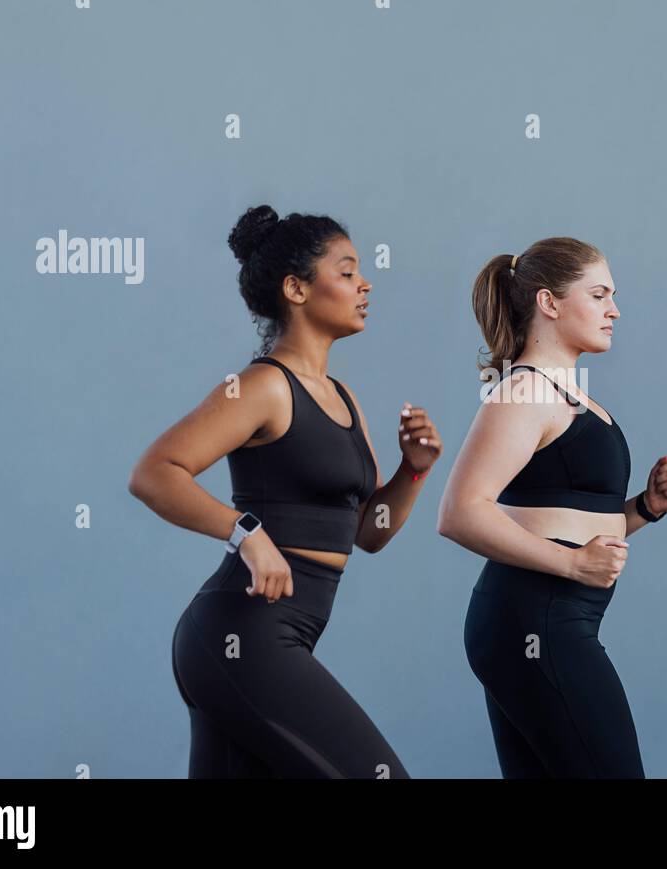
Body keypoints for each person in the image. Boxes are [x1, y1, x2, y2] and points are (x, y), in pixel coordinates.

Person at [128, 205, 441, 778]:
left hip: (276, 637)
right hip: (243, 638)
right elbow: (154, 472)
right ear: (296, 288)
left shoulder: (342, 397)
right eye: (346, 272)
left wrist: (412, 471)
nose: (364, 284)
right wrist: (244, 533)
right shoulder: (263, 386)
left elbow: (368, 535)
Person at [437, 237, 667, 778]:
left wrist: (647, 506)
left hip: (543, 620)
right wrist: (573, 565)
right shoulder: (525, 392)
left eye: (612, 296)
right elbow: (460, 512)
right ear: (549, 303)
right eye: (598, 295)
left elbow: (569, 520)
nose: (614, 309)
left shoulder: (571, 396)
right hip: (536, 619)